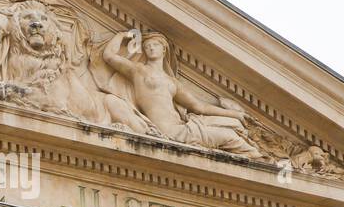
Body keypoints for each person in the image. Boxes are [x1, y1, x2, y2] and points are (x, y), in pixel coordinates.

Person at [99, 31, 259, 156]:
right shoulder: (139, 70)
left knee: (231, 135)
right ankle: (265, 165)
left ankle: (264, 164)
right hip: (168, 132)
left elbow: (199, 107)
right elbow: (109, 56)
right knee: (229, 138)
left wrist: (234, 114)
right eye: (147, 46)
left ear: (164, 49)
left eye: (155, 44)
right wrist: (121, 35)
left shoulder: (172, 82)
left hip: (183, 128)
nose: (151, 48)